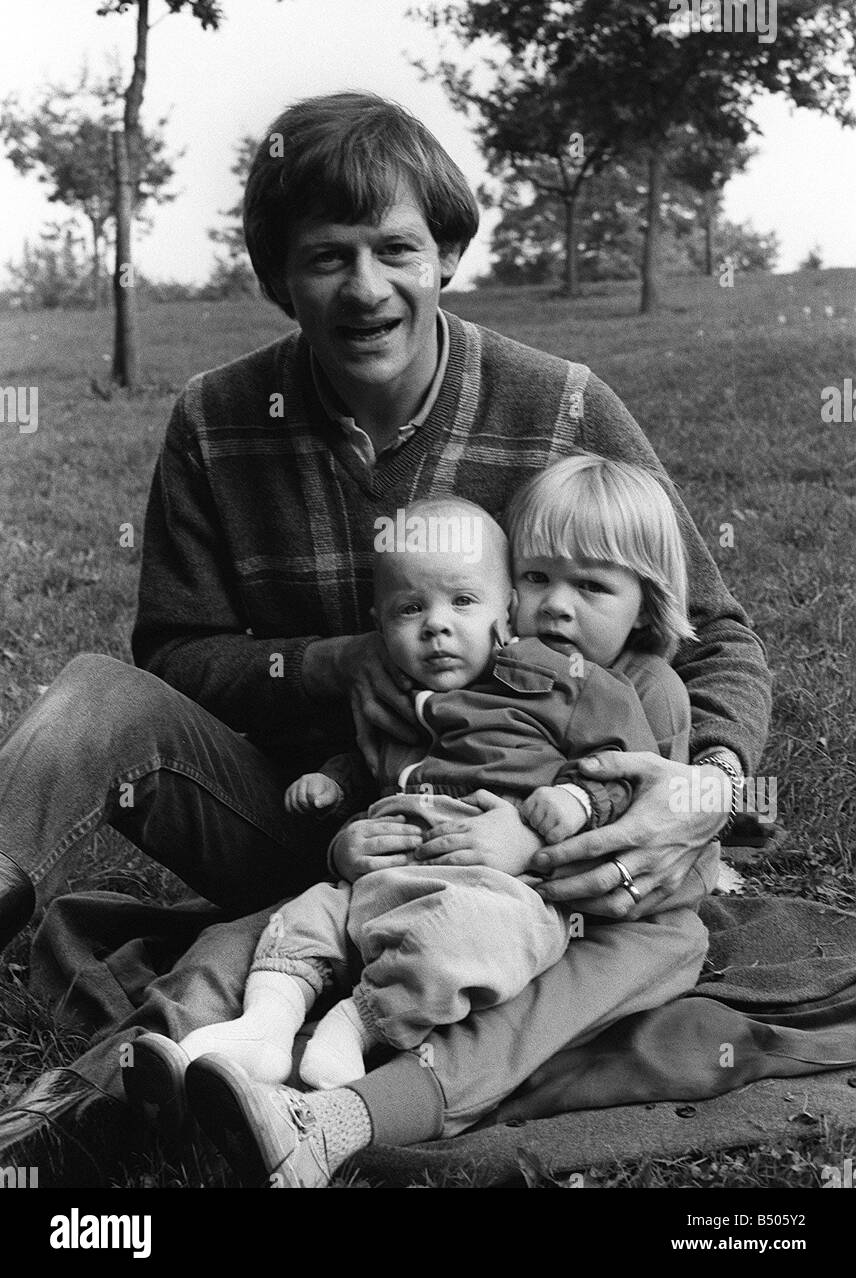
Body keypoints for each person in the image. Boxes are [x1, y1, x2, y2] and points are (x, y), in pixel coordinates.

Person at [0, 91, 770, 1181]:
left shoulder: (560, 406)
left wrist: (706, 785)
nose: (365, 287)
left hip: (513, 846)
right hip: (307, 810)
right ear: (279, 277)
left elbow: (718, 634)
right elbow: (173, 651)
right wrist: (334, 664)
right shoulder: (218, 421)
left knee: (499, 946)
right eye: (326, 256)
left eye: (395, 247)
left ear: (446, 253)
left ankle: (279, 1078)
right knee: (87, 697)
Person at [126, 471, 712, 1156]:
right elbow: (386, 770)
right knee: (260, 934)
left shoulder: (647, 691)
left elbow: (656, 857)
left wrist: (528, 840)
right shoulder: (478, 676)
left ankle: (330, 1120)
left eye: (592, 587)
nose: (555, 608)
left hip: (571, 918)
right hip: (406, 883)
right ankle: (171, 1068)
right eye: (535, 577)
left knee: (488, 992)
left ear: (645, 603)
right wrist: (348, 842)